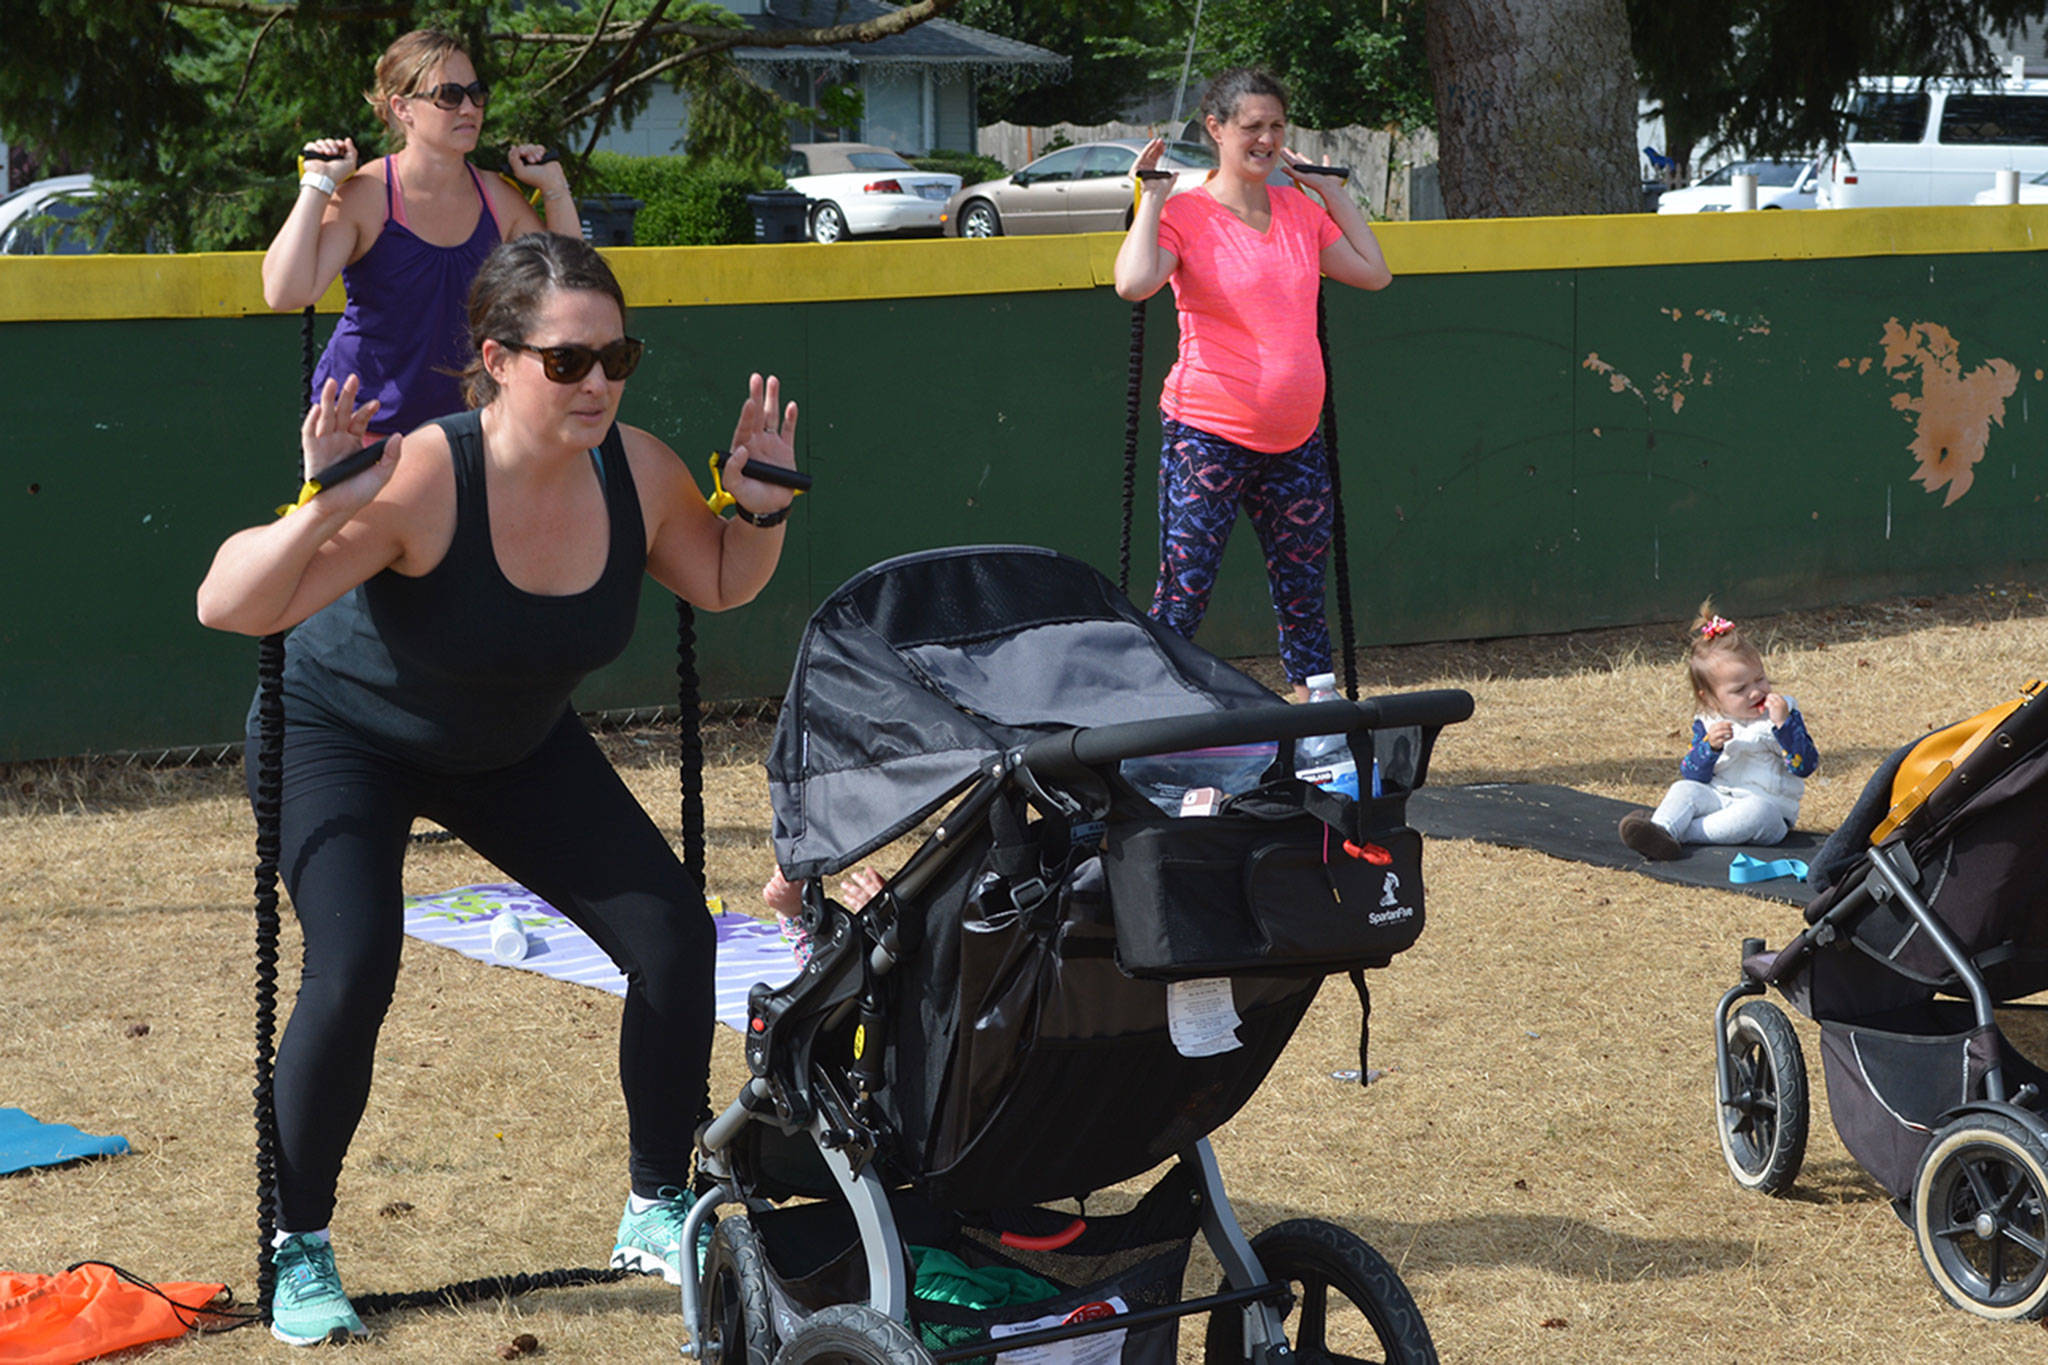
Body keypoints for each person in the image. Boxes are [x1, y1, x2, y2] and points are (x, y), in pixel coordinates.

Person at [198, 232, 800, 1346]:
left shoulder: (640, 468)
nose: (599, 383)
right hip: (344, 737)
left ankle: (656, 1204)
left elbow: (718, 580)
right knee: (355, 961)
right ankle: (300, 1244)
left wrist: (759, 504)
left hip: (511, 743)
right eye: (568, 362)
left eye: (617, 357)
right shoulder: (430, 473)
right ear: (499, 358)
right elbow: (228, 606)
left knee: (672, 933)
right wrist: (320, 503)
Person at [1113, 68, 1392, 700]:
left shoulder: (1298, 211)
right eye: (1251, 127)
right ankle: (1152, 730)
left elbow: (1375, 272)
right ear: (1215, 129)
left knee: (1303, 597)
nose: (1266, 139)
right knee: (1183, 592)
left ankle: (1320, 740)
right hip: (1206, 435)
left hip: (1295, 439)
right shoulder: (1187, 214)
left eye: (1276, 127)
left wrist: (1327, 191)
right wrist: (1151, 197)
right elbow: (1133, 283)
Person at [261, 28, 582, 439]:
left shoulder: (498, 199)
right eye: (448, 95)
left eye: (476, 93)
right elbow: (284, 292)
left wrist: (554, 188)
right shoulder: (368, 195)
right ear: (403, 108)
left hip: (465, 434)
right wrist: (318, 184)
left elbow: (569, 290)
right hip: (362, 432)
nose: (469, 108)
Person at [1618, 602, 1821, 861]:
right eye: (1739, 690)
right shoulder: (1709, 720)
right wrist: (1709, 747)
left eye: (1760, 679)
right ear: (1711, 700)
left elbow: (1805, 766)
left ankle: (1674, 834)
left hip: (1769, 811)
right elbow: (1691, 772)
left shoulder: (1783, 713)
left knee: (1756, 812)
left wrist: (1784, 727)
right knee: (1684, 789)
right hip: (1718, 797)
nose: (1756, 692)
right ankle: (1664, 828)